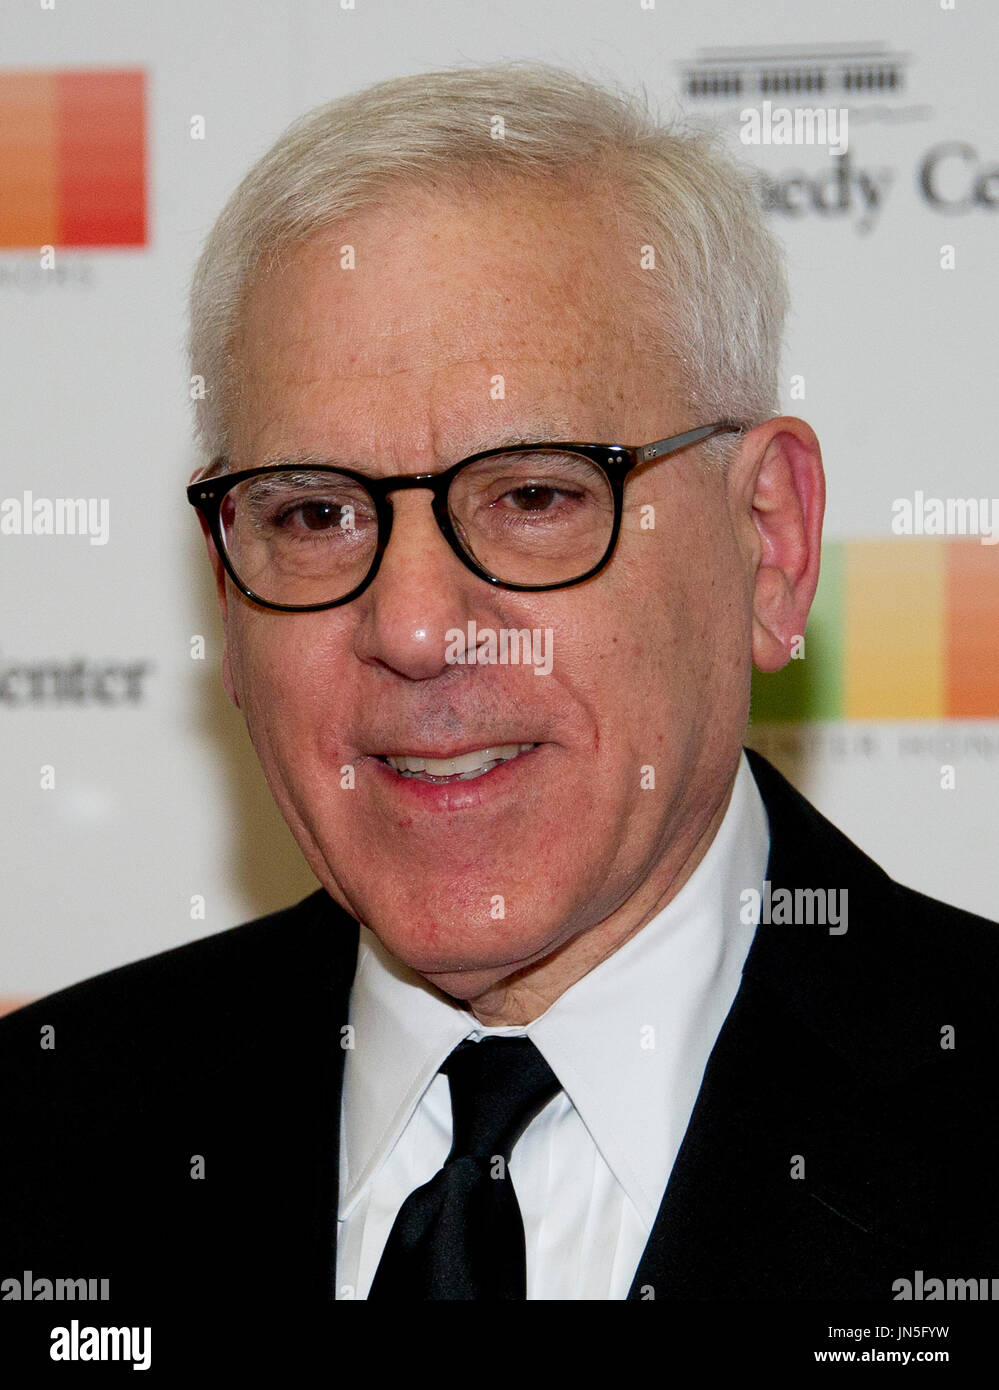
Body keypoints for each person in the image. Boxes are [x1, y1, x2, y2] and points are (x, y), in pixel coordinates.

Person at [2, 62, 997, 1306]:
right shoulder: (38, 1140)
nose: (416, 627)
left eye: (534, 496)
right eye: (314, 512)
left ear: (768, 544)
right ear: (225, 588)